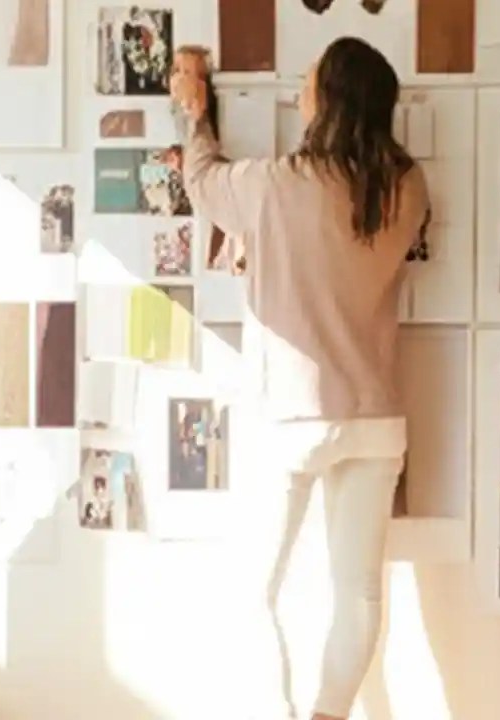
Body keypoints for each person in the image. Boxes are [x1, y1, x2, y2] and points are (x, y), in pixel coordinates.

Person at [170, 37, 430, 720]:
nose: (299, 94)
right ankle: (328, 714)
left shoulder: (280, 184)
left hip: (292, 416)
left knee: (256, 590)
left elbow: (202, 180)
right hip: (376, 420)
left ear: (331, 98)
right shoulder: (408, 187)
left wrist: (197, 114)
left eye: (310, 83)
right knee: (360, 594)